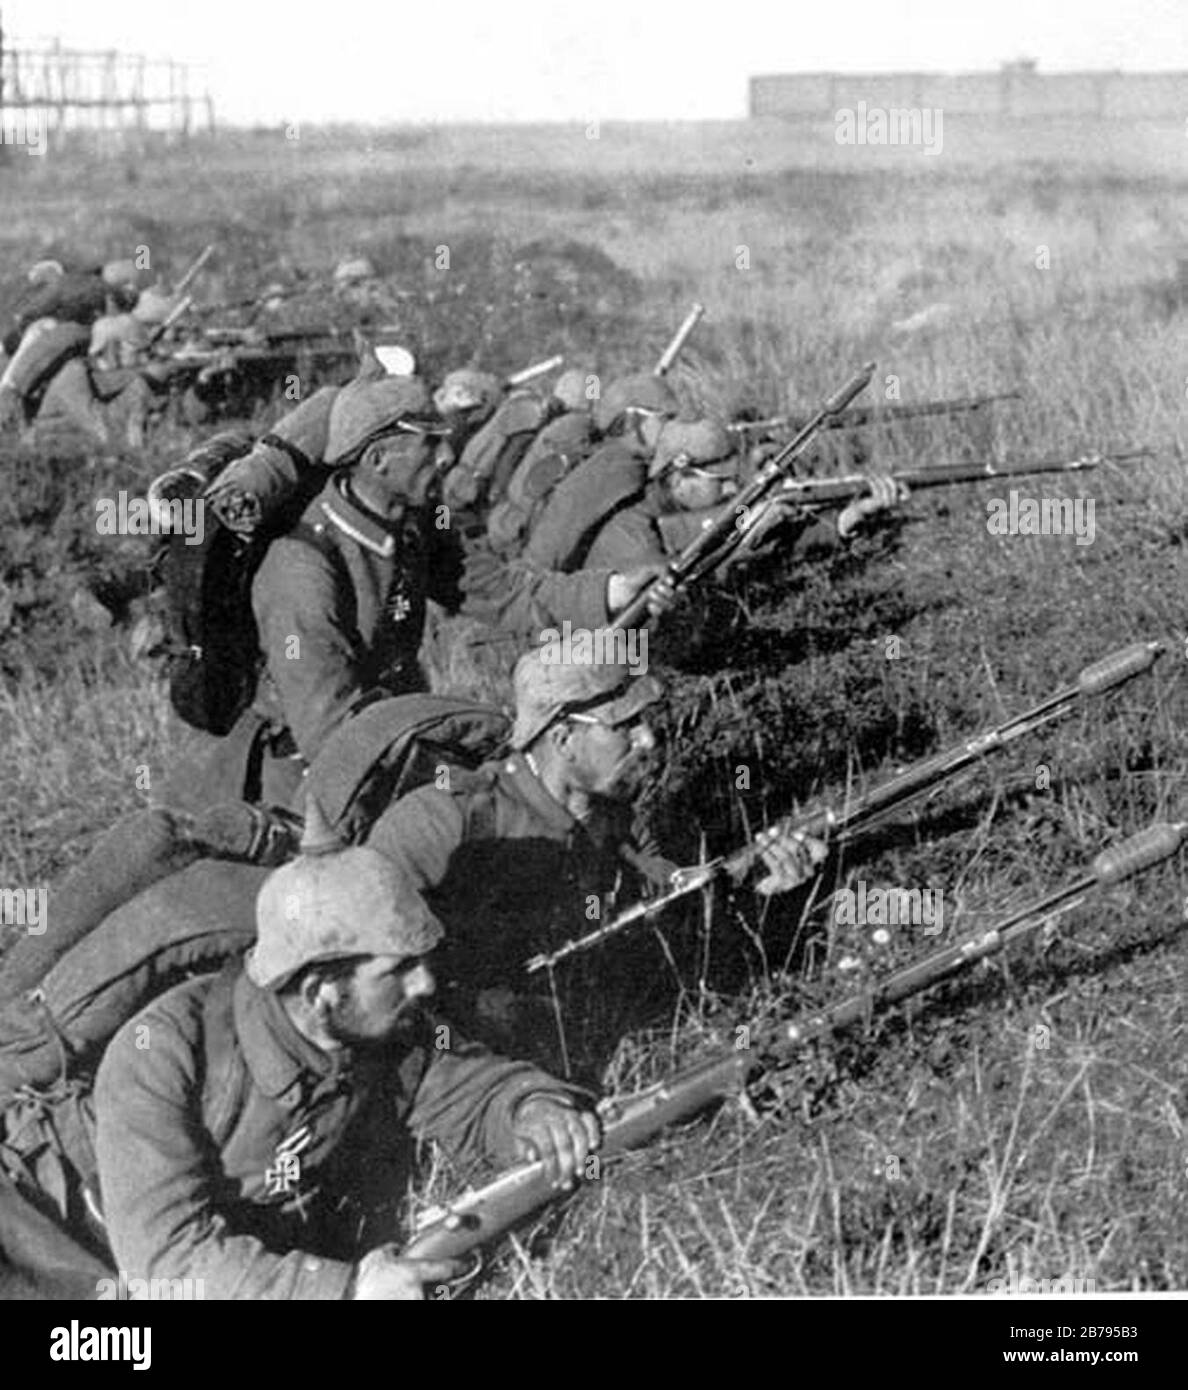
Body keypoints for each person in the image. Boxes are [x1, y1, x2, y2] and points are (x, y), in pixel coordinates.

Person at [0, 813, 598, 1300]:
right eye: (399, 970)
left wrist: (529, 1106)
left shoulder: (375, 1030)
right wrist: (345, 1289)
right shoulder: (161, 1055)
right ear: (322, 992)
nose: (426, 985)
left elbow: (461, 1085)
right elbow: (167, 1266)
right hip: (50, 1239)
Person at [358, 650, 826, 1041]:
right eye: (624, 725)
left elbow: (664, 904)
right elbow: (365, 966)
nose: (648, 738)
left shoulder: (614, 816)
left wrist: (752, 886)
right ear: (563, 738)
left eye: (644, 720)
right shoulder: (446, 820)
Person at [583, 419, 904, 573]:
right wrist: (741, 542)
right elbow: (675, 606)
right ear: (681, 476)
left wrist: (855, 513)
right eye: (721, 482)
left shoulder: (683, 511)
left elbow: (767, 535)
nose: (731, 489)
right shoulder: (633, 527)